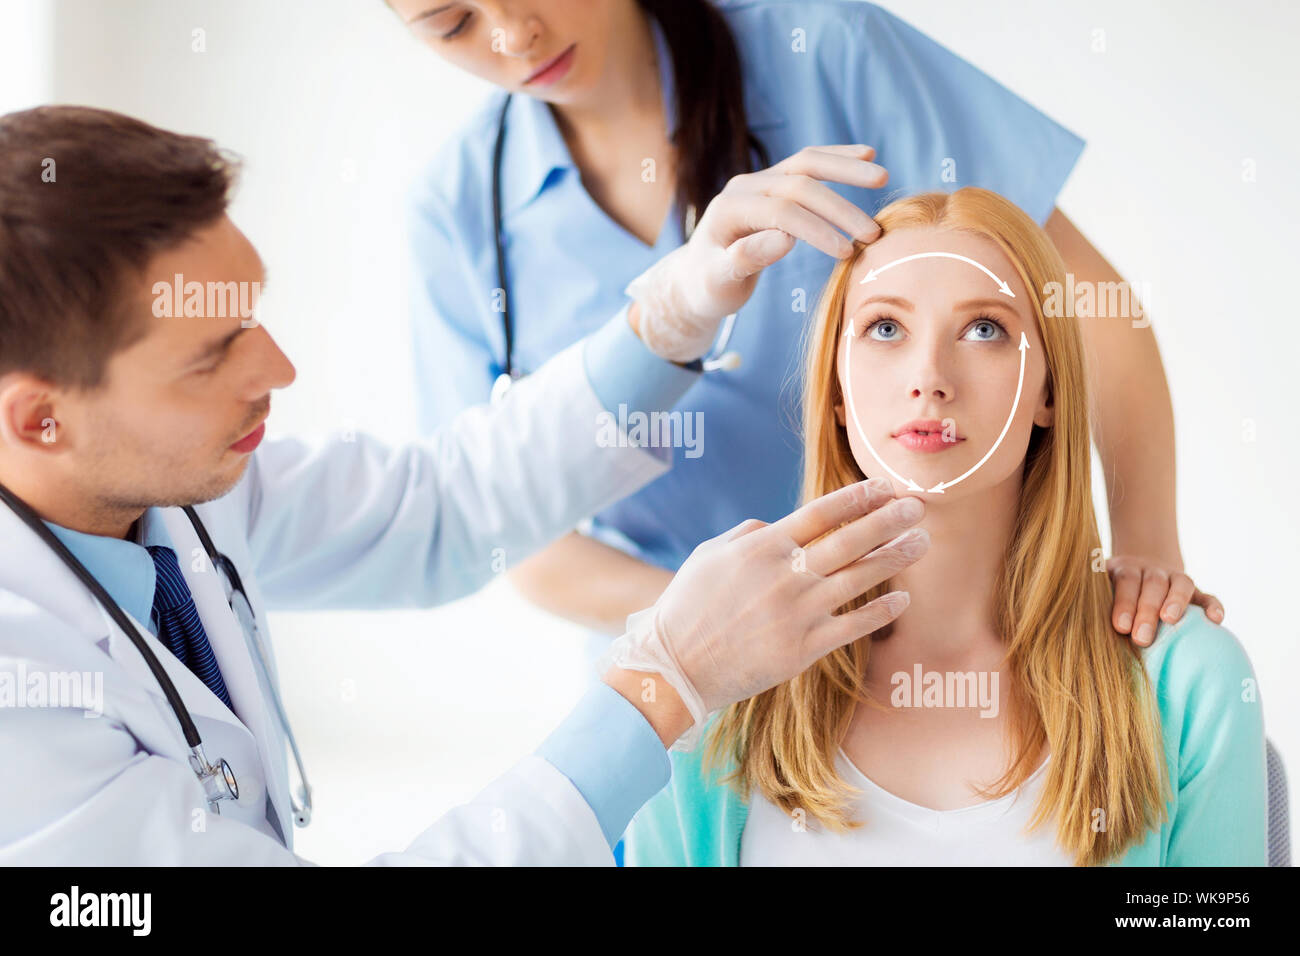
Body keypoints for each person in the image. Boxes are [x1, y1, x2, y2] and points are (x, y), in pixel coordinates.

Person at [0, 106, 926, 865]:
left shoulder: (175, 493)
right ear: (39, 419)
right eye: (212, 356)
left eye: (251, 317)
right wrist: (664, 685)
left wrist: (673, 313)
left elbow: (444, 509)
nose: (278, 368)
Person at [391, 0, 1223, 650]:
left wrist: (1146, 541)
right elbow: (506, 529)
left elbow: (1084, 305)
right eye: (454, 25)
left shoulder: (832, 58)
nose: (515, 34)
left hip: (961, 629)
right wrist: (741, 628)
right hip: (697, 686)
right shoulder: (457, 212)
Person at [624, 187, 1267, 866]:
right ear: (837, 392)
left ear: (1049, 389)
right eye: (885, 328)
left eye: (985, 328)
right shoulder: (704, 682)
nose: (929, 377)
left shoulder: (1189, 681)